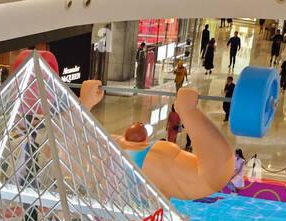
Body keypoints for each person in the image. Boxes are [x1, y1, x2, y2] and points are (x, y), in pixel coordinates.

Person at [82, 82, 233, 199]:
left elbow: (65, 146)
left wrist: (83, 105)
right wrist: (189, 113)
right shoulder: (154, 157)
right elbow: (213, 176)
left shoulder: (110, 147)